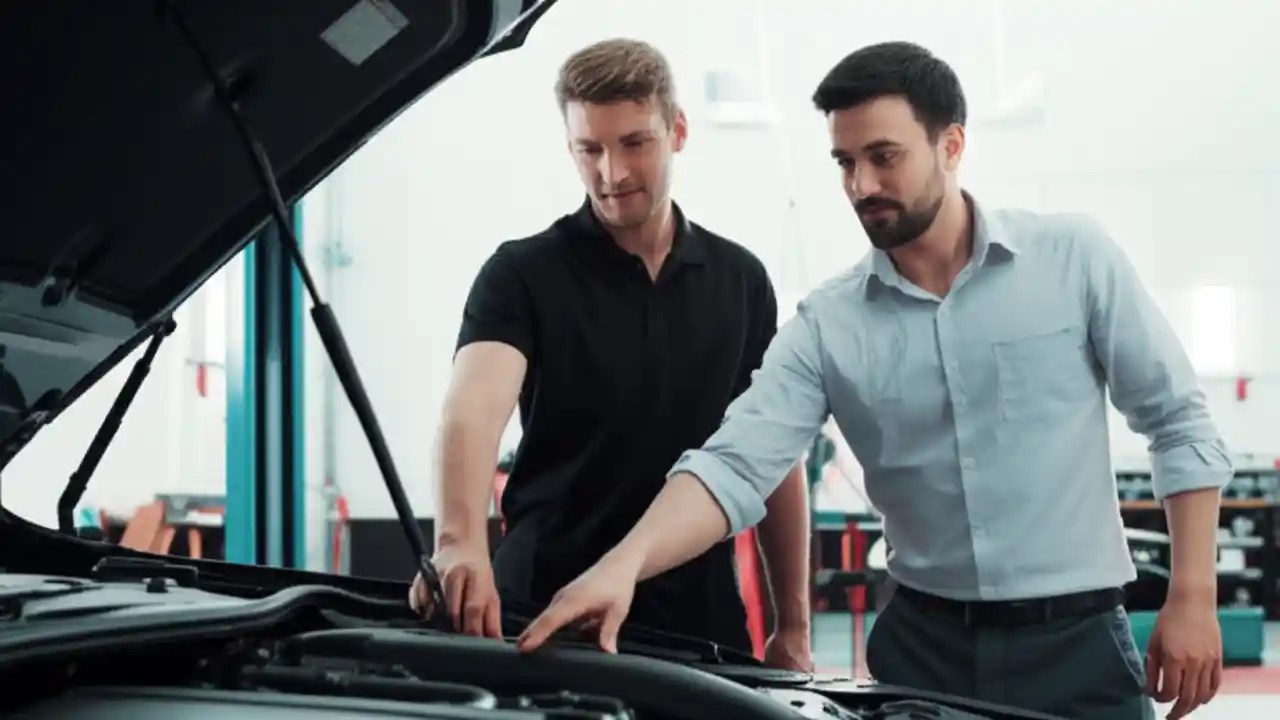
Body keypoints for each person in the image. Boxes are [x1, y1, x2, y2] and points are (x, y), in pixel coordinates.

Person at [514, 41, 1230, 720]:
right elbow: (734, 464)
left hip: (1080, 648)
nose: (862, 185)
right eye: (845, 162)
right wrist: (623, 567)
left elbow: (1177, 420)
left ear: (951, 144)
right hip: (924, 650)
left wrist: (1194, 597)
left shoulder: (1073, 258)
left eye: (884, 157)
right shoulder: (829, 323)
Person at [407, 38, 813, 669]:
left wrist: (793, 624)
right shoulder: (520, 274)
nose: (612, 173)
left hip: (700, 628)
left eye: (634, 144)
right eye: (588, 149)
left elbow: (774, 459)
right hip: (542, 618)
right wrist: (458, 541)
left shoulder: (741, 280)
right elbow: (472, 409)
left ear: (677, 131)